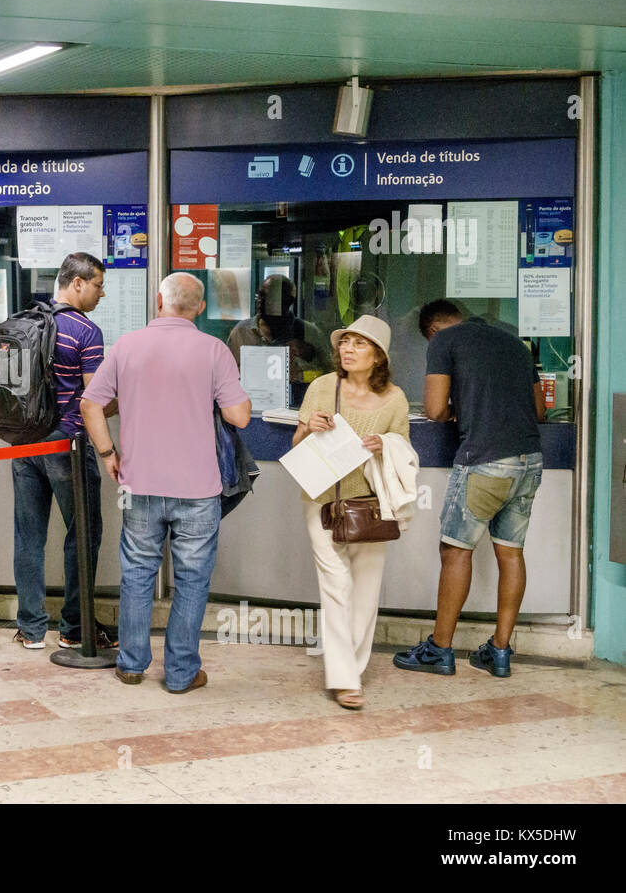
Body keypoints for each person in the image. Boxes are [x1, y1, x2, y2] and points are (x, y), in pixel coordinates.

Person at [81, 274, 251, 692]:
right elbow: (240, 417)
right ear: (199, 308)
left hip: (138, 484)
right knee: (192, 579)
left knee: (137, 573)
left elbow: (90, 404)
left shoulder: (127, 346)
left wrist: (108, 455)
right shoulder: (214, 350)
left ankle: (132, 664)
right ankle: (180, 674)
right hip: (197, 489)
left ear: (159, 300)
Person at [394, 300, 545, 679]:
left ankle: (440, 650)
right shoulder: (514, 342)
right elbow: (539, 410)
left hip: (484, 460)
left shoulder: (444, 342)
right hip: (529, 460)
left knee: (455, 550)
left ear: (433, 329)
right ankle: (499, 651)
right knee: (511, 553)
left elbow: (433, 409)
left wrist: (457, 410)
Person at [292, 315, 410, 709]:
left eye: (359, 344)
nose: (347, 349)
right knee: (336, 587)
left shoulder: (395, 398)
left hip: (371, 505)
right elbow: (296, 442)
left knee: (365, 591)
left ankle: (353, 668)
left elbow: (406, 453)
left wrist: (386, 445)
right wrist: (309, 427)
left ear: (378, 356)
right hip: (322, 500)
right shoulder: (323, 387)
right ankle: (344, 680)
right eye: (345, 342)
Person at [11, 252, 117, 651]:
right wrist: (125, 401)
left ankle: (31, 628)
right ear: (76, 283)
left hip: (23, 441)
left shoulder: (26, 322)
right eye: (97, 285)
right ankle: (73, 627)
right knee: (84, 533)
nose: (101, 293)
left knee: (28, 535)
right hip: (66, 444)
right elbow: (96, 401)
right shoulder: (86, 331)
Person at [228, 274, 330, 383]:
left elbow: (329, 374)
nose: (261, 301)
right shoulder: (241, 332)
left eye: (269, 297)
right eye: (260, 296)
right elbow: (226, 375)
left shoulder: (309, 333)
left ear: (288, 302)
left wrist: (304, 365)